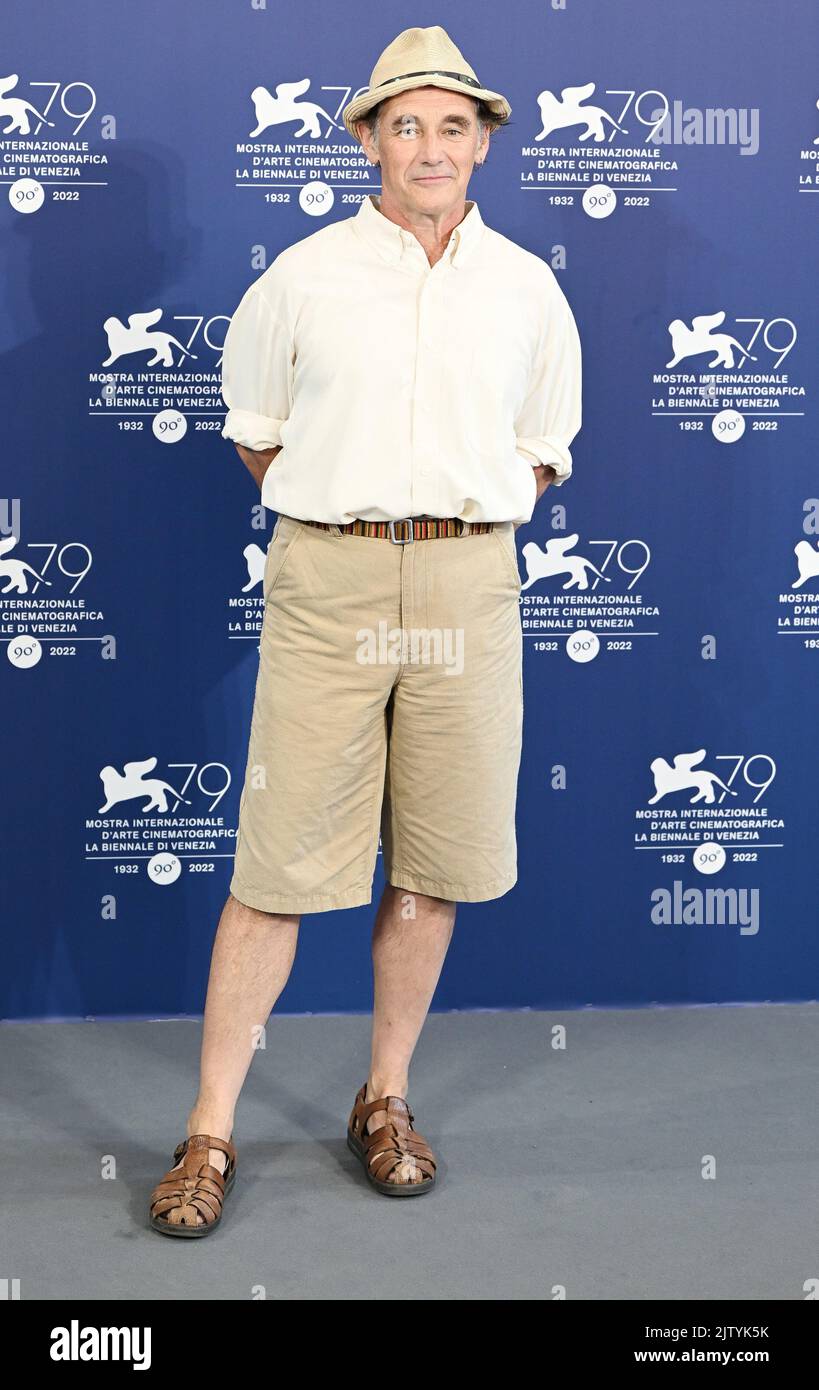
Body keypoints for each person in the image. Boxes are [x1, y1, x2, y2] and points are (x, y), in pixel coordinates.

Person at [148, 23, 582, 1236]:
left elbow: (543, 450)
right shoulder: (300, 276)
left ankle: (384, 1100)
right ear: (368, 141)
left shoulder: (529, 289)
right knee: (274, 868)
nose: (430, 146)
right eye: (406, 124)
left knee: (433, 861)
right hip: (329, 584)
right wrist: (358, 522)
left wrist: (441, 531)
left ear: (483, 144)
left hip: (469, 585)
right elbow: (257, 430)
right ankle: (210, 1131)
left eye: (453, 125)